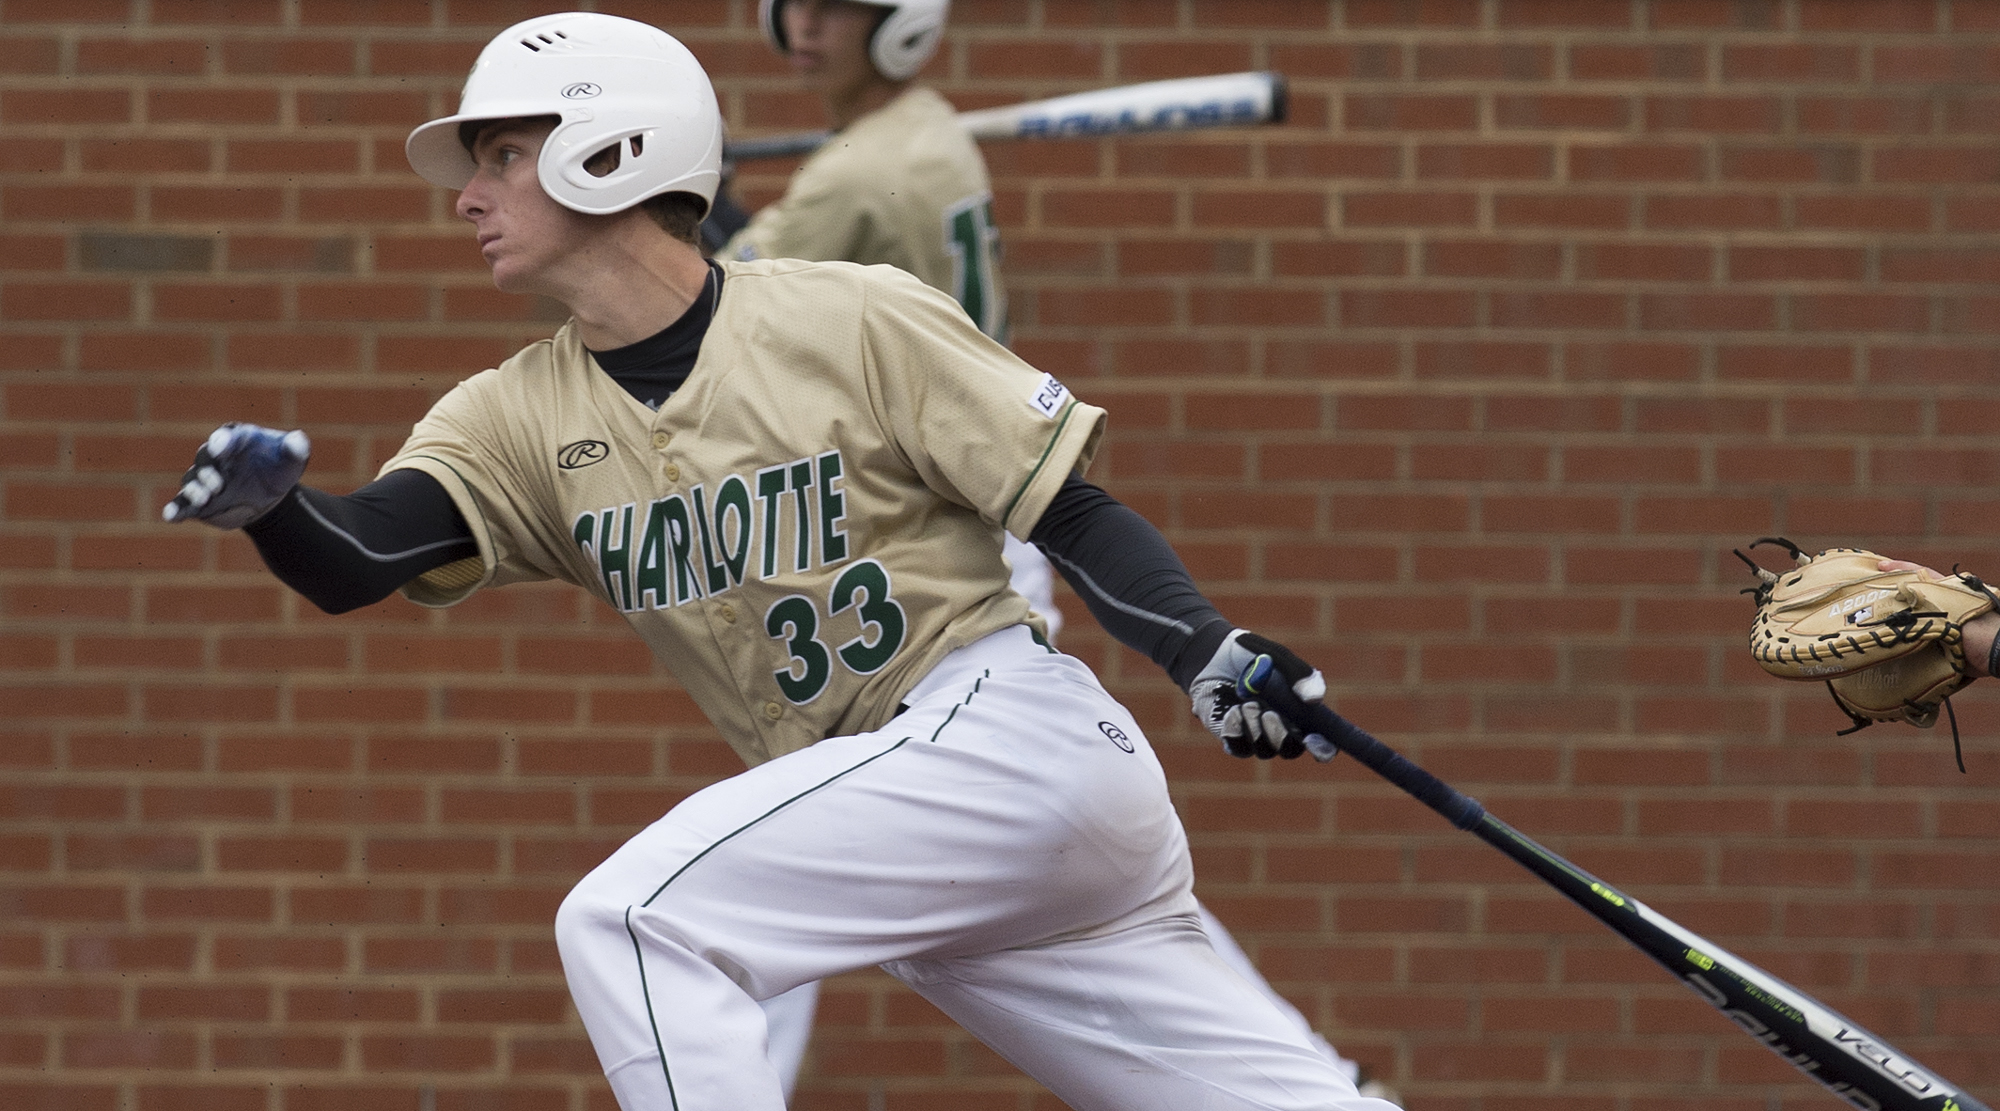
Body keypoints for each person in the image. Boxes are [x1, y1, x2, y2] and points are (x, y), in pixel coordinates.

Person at [161, 13, 1399, 1111]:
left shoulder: (847, 312)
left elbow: (1068, 511)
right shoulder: (513, 413)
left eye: (499, 155)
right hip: (934, 843)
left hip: (1003, 740)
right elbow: (362, 552)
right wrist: (275, 509)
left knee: (634, 918)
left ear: (614, 150)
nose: (464, 194)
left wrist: (1203, 649)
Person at [704, 1, 1395, 1101]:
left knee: (759, 865)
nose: (807, 28)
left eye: (841, 10)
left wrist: (688, 205)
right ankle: (1306, 1081)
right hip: (952, 528)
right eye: (799, 6)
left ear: (896, 26)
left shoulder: (858, 176)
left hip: (928, 564)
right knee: (1044, 887)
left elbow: (709, 308)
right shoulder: (920, 133)